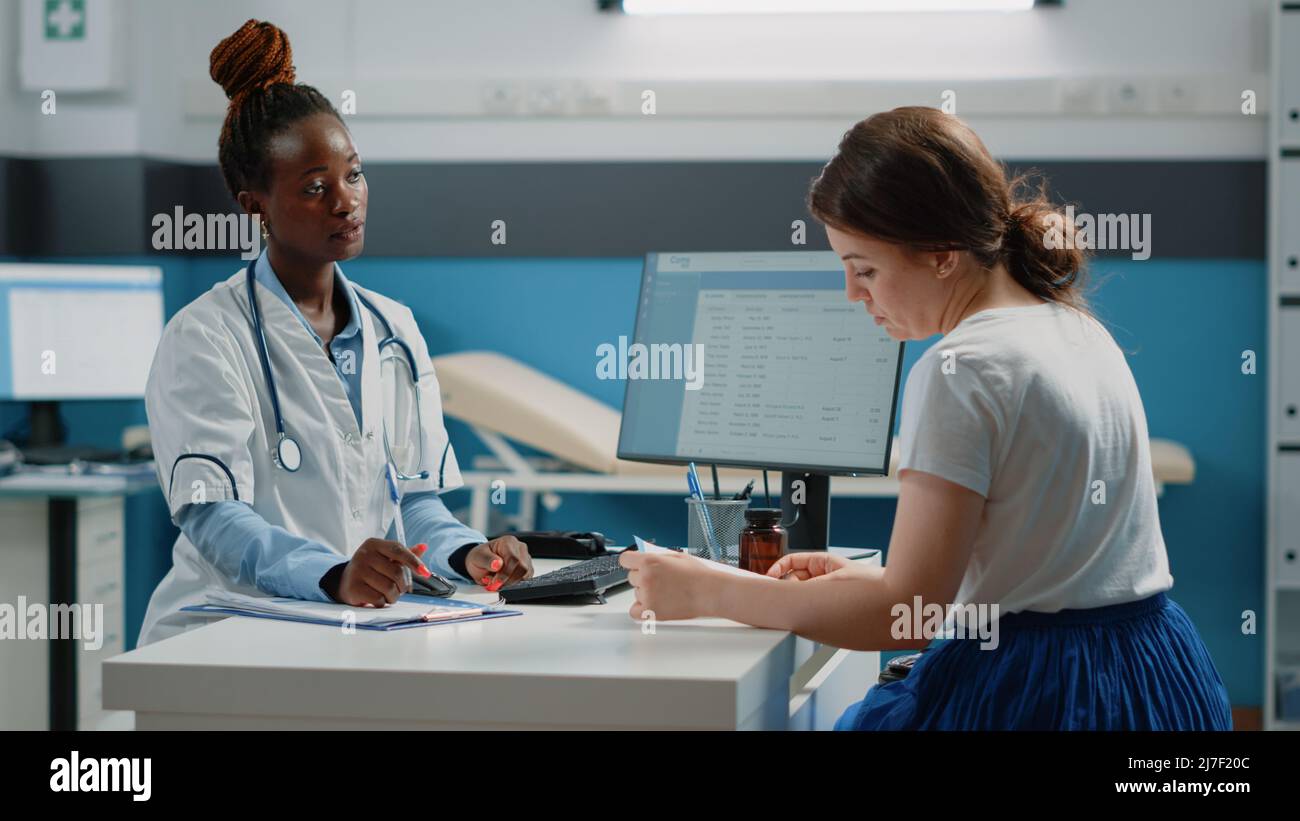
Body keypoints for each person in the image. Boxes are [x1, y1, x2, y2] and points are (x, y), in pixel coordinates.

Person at [618, 106, 1232, 730]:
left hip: (1039, 692)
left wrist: (706, 590)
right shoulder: (1076, 327)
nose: (853, 295)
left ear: (942, 255)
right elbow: (1032, 570)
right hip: (1152, 674)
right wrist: (871, 580)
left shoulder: (959, 368)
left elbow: (906, 613)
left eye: (865, 271)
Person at [138, 19, 532, 646]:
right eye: (316, 188)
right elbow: (212, 517)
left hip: (350, 626)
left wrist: (468, 555)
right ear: (254, 204)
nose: (345, 202)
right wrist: (332, 573)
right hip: (226, 631)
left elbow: (417, 501)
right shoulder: (205, 337)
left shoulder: (393, 332)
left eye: (354, 174)